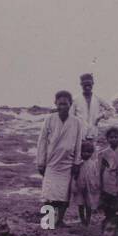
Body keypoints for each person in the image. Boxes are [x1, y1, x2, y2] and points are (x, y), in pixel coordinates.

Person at [37, 90, 83, 228]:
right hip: (51, 163)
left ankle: (60, 220)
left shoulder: (76, 122)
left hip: (68, 164)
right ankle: (48, 222)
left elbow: (78, 143)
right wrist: (41, 162)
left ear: (70, 104)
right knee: (49, 194)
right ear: (55, 104)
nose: (63, 106)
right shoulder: (49, 119)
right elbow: (42, 141)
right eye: (60, 104)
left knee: (64, 195)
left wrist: (76, 162)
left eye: (66, 104)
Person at [69, 139, 102, 229]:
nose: (86, 154)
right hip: (80, 187)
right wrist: (74, 185)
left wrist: (96, 185)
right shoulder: (78, 163)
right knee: (80, 204)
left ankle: (88, 219)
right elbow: (74, 175)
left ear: (92, 153)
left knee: (89, 204)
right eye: (83, 152)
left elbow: (96, 175)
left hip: (90, 187)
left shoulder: (93, 164)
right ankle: (82, 219)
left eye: (88, 152)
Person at [73, 73, 114, 143]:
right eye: (85, 84)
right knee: (79, 152)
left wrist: (101, 116)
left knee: (92, 151)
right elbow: (71, 116)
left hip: (93, 131)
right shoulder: (75, 99)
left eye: (89, 84)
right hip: (79, 133)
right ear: (81, 84)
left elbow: (111, 110)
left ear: (93, 83)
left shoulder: (98, 98)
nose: (87, 87)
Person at [97, 126, 118, 222]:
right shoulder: (104, 153)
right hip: (108, 177)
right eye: (111, 137)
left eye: (116, 137)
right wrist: (100, 180)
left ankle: (116, 217)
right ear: (107, 139)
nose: (113, 139)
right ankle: (108, 217)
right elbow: (101, 167)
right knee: (108, 196)